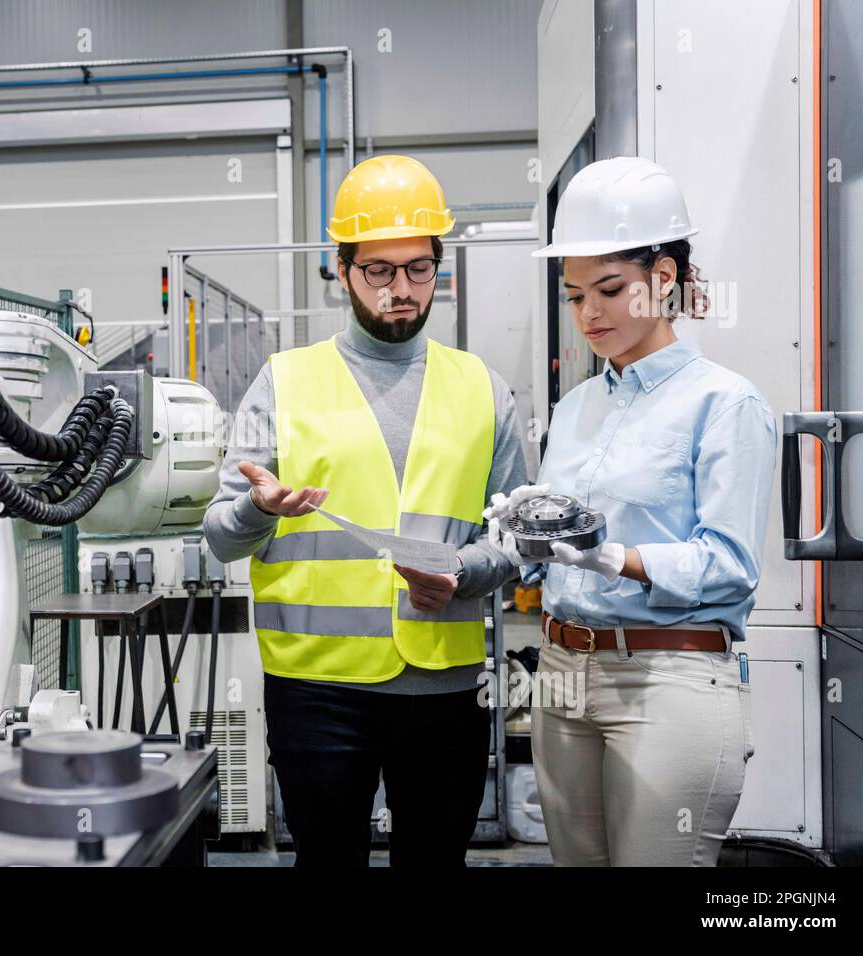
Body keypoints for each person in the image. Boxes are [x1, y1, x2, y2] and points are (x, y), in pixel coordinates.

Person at [203, 154, 528, 867]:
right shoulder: (283, 382)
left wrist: (465, 571)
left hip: (445, 683)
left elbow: (515, 538)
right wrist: (258, 509)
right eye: (379, 270)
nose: (400, 289)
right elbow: (220, 539)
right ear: (342, 269)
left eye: (418, 268)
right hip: (315, 688)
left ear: (438, 266)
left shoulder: (484, 389)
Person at [485, 156, 776, 866]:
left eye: (610, 290)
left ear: (664, 277)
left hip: (667, 677)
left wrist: (618, 558)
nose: (589, 314)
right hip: (562, 671)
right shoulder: (576, 408)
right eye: (574, 295)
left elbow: (731, 565)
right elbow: (564, 548)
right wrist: (525, 537)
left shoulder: (725, 403)